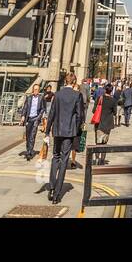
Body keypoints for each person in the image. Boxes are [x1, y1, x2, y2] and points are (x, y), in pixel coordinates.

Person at [44, 74, 84, 204]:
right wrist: (77, 130)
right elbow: (80, 116)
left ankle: (51, 186)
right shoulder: (77, 95)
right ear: (74, 83)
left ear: (65, 81)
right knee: (64, 160)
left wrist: (47, 131)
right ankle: (57, 194)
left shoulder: (58, 94)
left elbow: (52, 114)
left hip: (57, 130)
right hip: (69, 132)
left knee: (55, 157)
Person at [18, 83, 44, 160]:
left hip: (36, 119)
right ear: (33, 90)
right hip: (29, 119)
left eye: (37, 89)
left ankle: (29, 152)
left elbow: (43, 109)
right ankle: (28, 149)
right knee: (28, 136)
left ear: (39, 90)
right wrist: (23, 116)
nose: (36, 90)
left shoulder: (41, 98)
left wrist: (39, 117)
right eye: (35, 89)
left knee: (32, 135)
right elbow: (25, 108)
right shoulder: (29, 98)